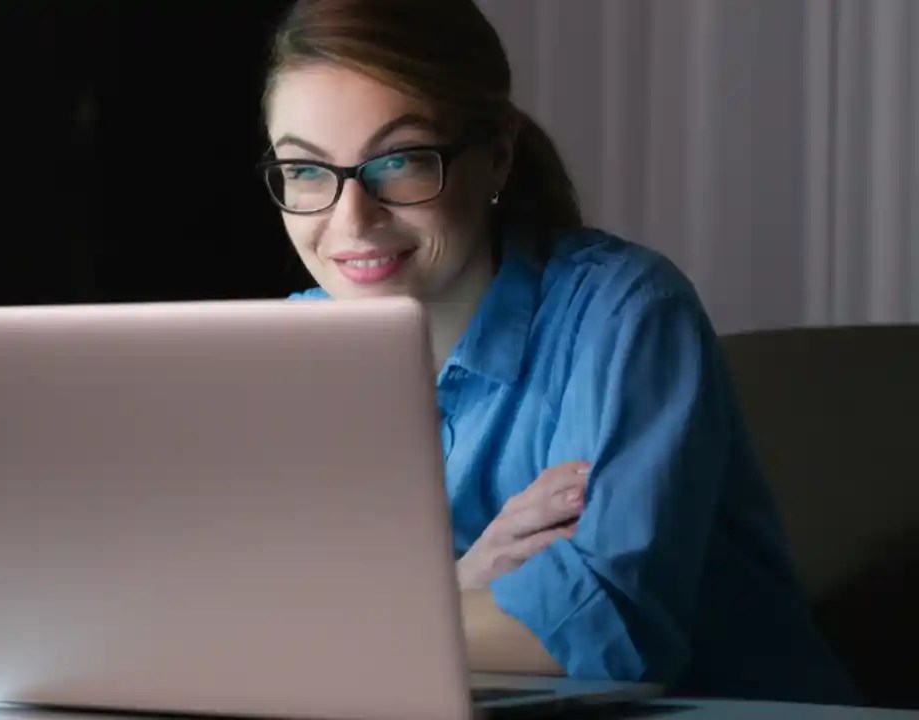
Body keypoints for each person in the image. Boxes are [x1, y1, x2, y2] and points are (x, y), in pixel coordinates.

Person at [258, 0, 861, 706]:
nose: (351, 220)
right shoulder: (291, 351)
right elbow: (234, 595)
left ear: (498, 157)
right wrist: (455, 590)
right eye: (304, 171)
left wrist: (342, 619)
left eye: (401, 162)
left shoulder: (625, 310)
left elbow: (610, 629)